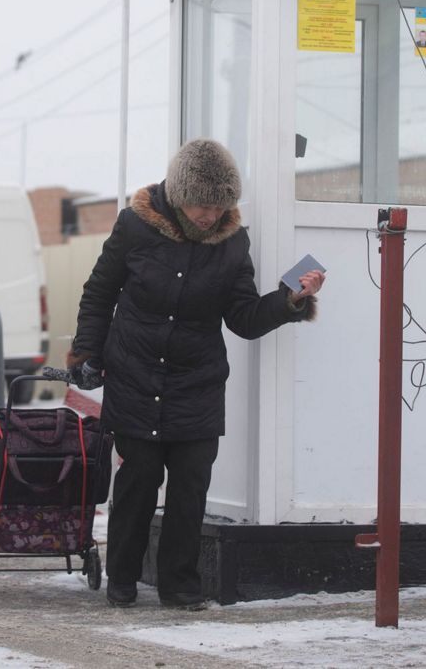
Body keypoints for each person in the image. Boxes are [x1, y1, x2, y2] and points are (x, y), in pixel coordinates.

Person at [67, 138, 325, 610]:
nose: (209, 215)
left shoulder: (232, 243)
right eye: (201, 204)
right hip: (136, 375)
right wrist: (87, 354)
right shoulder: (134, 227)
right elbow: (99, 294)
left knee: (190, 487)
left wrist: (291, 299)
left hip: (196, 383)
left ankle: (180, 586)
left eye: (219, 205)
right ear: (178, 193)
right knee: (138, 481)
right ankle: (122, 577)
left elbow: (243, 317)